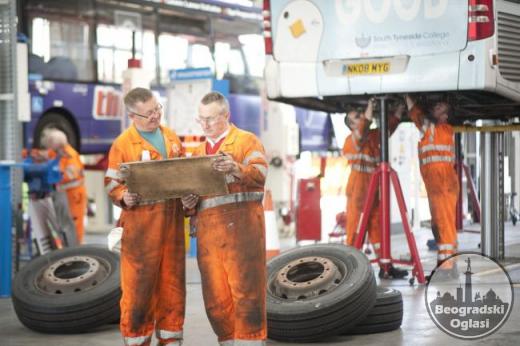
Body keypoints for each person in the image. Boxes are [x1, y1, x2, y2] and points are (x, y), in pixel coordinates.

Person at [181, 91, 268, 345]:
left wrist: (236, 168)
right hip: (209, 238)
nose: (205, 125)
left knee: (247, 293)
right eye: (201, 120)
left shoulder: (246, 142)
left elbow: (261, 173)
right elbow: (194, 197)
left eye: (210, 119)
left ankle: (250, 341)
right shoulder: (198, 153)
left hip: (243, 233)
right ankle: (227, 341)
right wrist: (189, 205)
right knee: (216, 299)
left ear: (226, 116)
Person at [104, 87, 186, 346]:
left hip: (171, 228)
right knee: (138, 291)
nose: (155, 116)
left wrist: (190, 196)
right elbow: (111, 183)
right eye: (148, 113)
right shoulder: (123, 145)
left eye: (157, 109)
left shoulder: (171, 137)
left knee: (172, 288)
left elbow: (185, 173)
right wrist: (123, 196)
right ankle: (137, 341)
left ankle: (171, 340)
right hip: (140, 230)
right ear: (132, 116)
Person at [343, 97, 408, 279]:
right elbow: (363, 128)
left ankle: (386, 266)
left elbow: (386, 130)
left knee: (378, 231)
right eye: (357, 116)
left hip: (372, 192)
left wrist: (397, 112)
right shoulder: (351, 140)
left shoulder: (371, 137)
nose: (361, 117)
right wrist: (370, 108)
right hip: (357, 194)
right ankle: (349, 271)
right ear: (351, 125)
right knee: (355, 233)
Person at [405, 94, 459, 277]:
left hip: (442, 185)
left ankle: (447, 268)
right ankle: (449, 266)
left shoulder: (437, 130)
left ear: (445, 116)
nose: (435, 108)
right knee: (439, 226)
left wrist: (407, 95)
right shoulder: (439, 130)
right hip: (438, 186)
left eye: (439, 108)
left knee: (444, 226)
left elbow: (418, 116)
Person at [41, 128, 87, 244]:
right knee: (64, 224)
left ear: (56, 144)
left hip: (73, 195)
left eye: (50, 144)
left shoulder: (69, 155)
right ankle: (68, 249)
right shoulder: (58, 152)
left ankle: (76, 252)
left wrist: (53, 174)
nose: (49, 147)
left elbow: (70, 174)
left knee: (73, 225)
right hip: (66, 194)